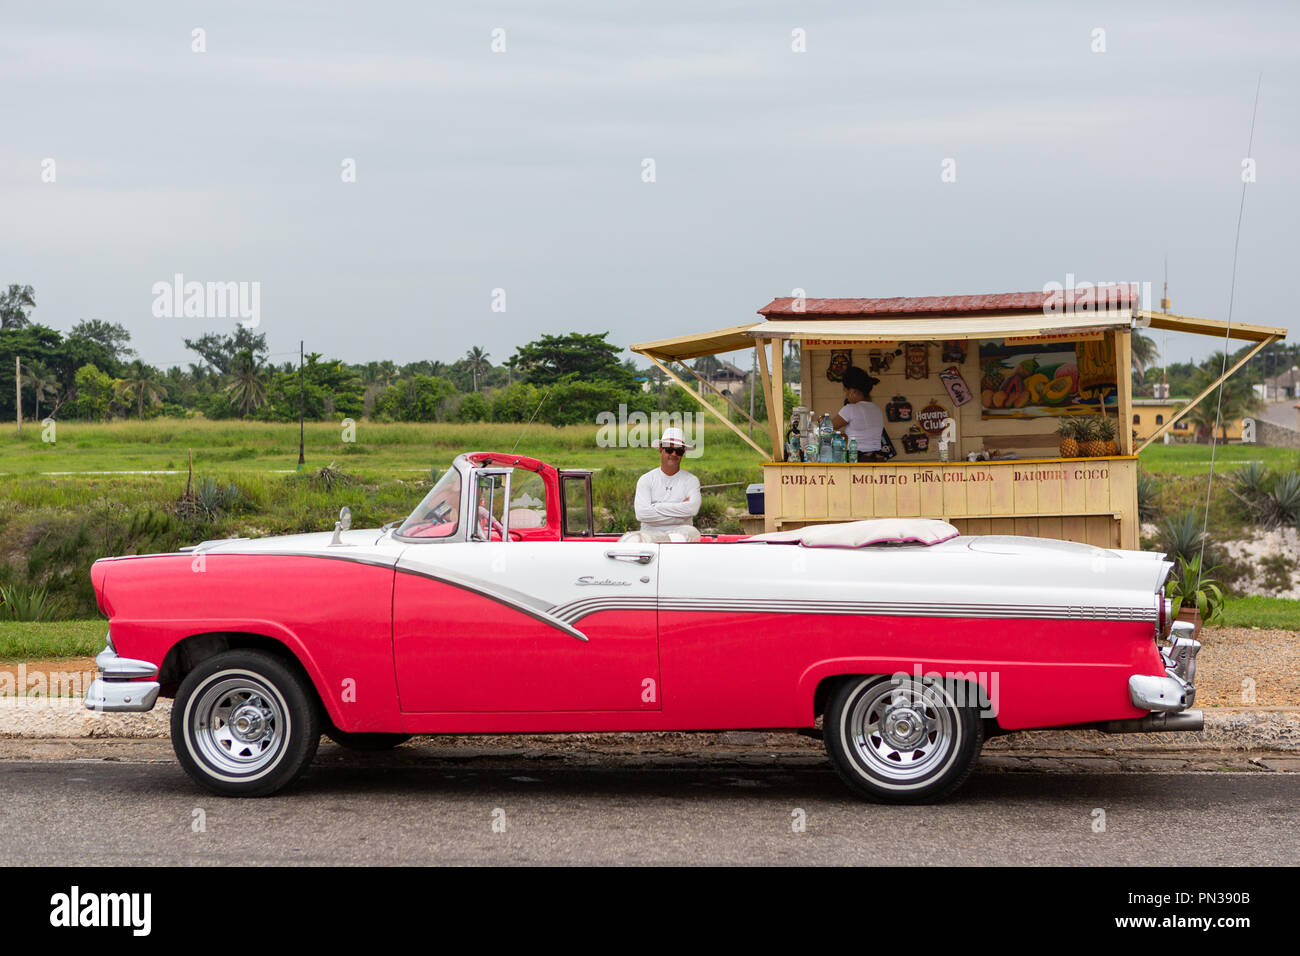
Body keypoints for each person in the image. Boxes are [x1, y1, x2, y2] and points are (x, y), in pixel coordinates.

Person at [634, 426, 701, 532]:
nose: (674, 454)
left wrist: (656, 507)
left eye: (679, 451)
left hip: (682, 538)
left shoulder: (691, 480)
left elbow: (692, 509)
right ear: (661, 450)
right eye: (669, 450)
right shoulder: (646, 479)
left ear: (683, 454)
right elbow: (641, 514)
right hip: (651, 538)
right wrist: (681, 516)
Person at [832, 366, 885, 461]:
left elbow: (828, 427)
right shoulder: (877, 409)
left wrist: (822, 420)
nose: (846, 395)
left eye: (846, 391)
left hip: (858, 459)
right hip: (877, 459)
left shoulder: (851, 409)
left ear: (853, 391)